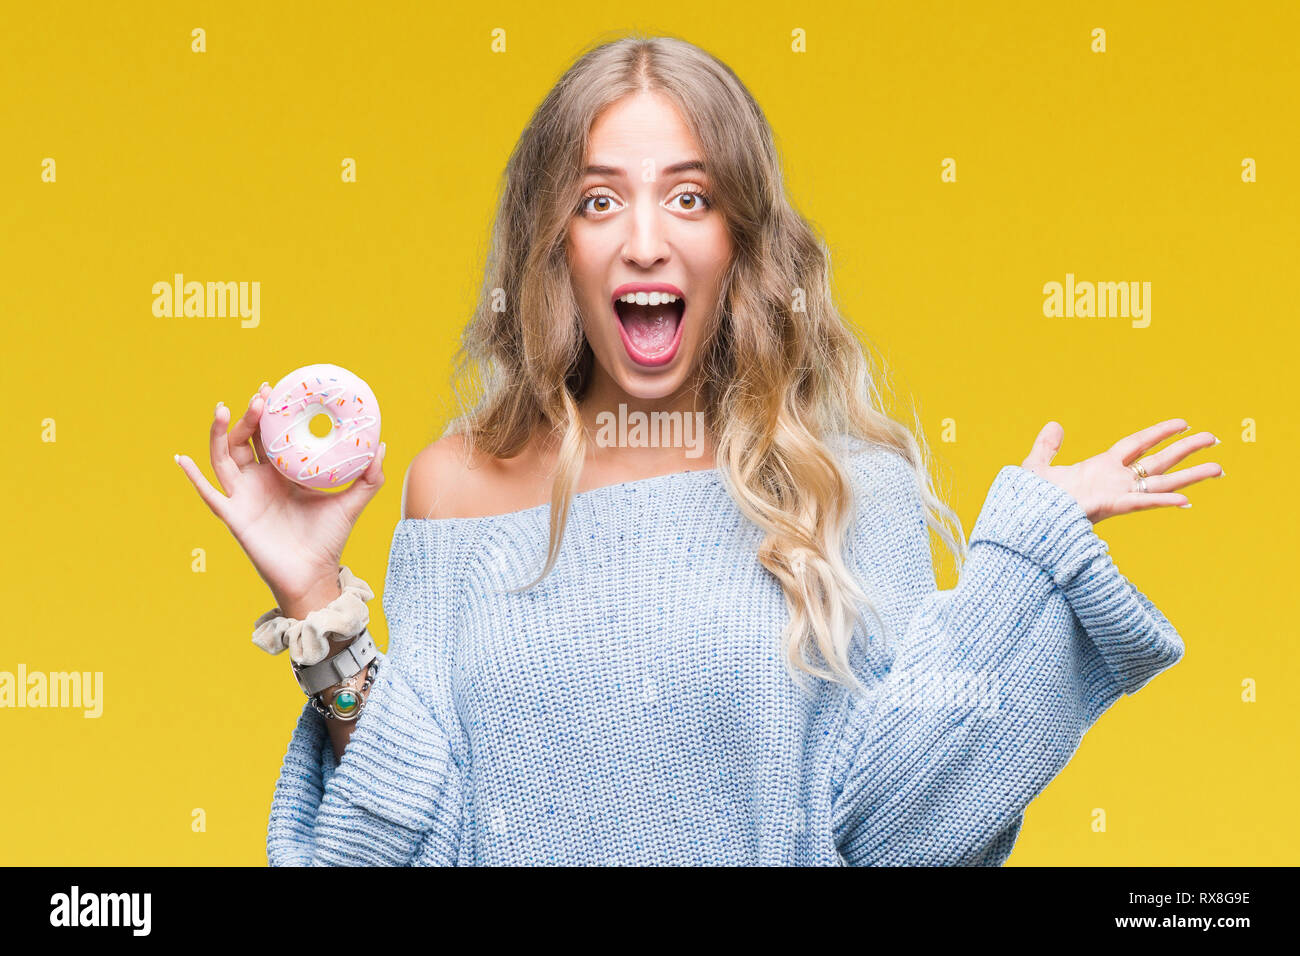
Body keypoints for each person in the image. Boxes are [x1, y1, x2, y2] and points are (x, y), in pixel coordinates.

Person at [177, 34, 1222, 866]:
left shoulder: (847, 486)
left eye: (689, 195)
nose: (644, 240)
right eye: (598, 199)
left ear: (739, 241)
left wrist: (1020, 564)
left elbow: (904, 830)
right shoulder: (454, 489)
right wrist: (318, 605)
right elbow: (423, 837)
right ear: (555, 245)